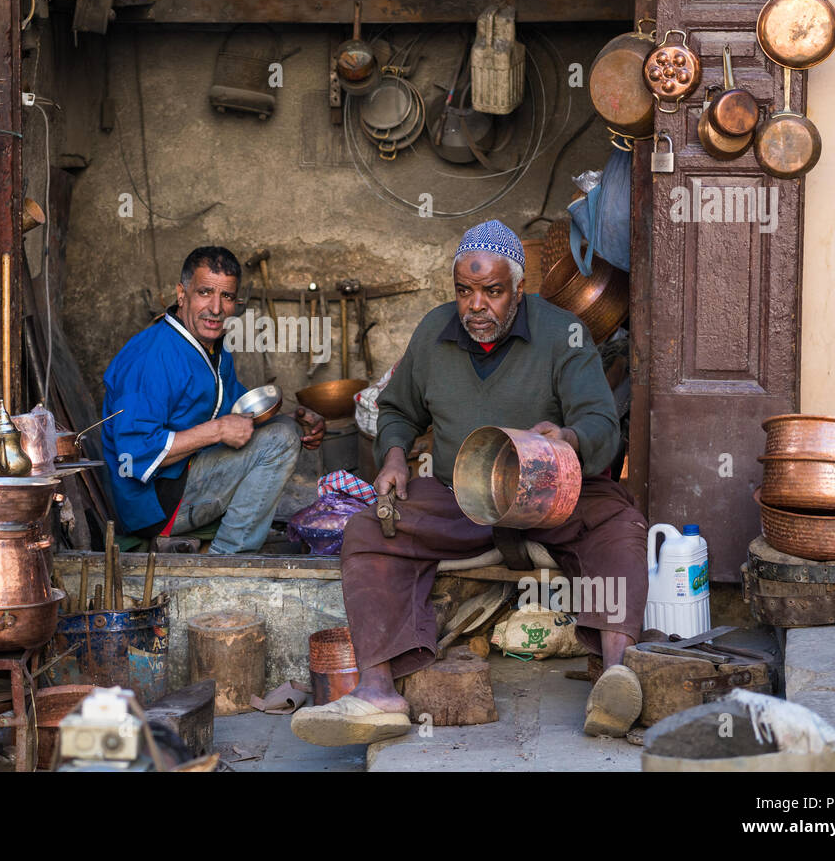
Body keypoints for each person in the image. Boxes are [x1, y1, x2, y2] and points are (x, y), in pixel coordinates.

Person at [291, 220, 649, 747]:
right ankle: (379, 690)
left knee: (619, 522)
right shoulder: (434, 334)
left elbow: (602, 422)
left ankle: (616, 672)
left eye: (492, 291)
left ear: (517, 290)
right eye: (465, 291)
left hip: (549, 494)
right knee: (370, 530)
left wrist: (567, 438)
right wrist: (392, 457)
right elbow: (396, 409)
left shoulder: (562, 332)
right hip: (461, 495)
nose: (476, 305)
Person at [101, 246, 326, 553]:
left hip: (184, 479)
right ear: (182, 294)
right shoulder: (152, 357)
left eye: (227, 297)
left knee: (286, 429)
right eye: (205, 292)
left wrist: (294, 415)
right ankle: (228, 556)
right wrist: (218, 431)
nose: (217, 308)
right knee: (282, 439)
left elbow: (237, 407)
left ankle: (225, 548)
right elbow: (133, 456)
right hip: (153, 504)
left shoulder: (211, 349)